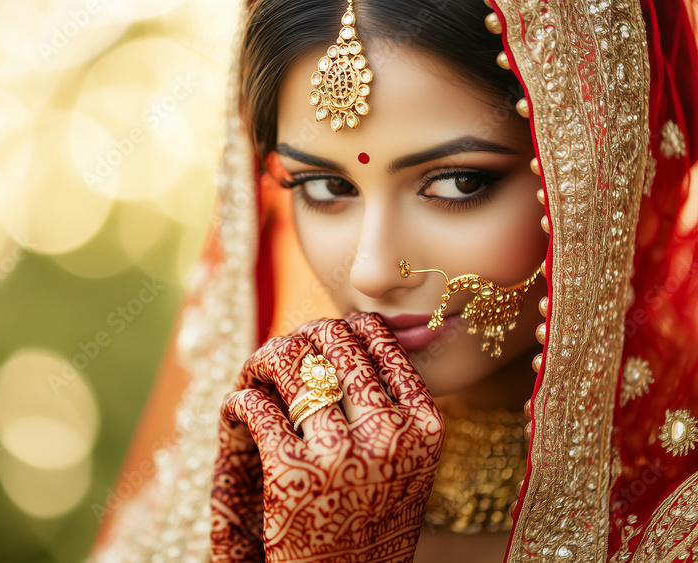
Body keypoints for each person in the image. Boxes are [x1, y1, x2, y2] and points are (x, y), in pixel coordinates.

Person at [91, 0, 698, 561]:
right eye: (325, 187)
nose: (371, 272)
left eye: (459, 183)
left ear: (601, 165)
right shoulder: (255, 484)